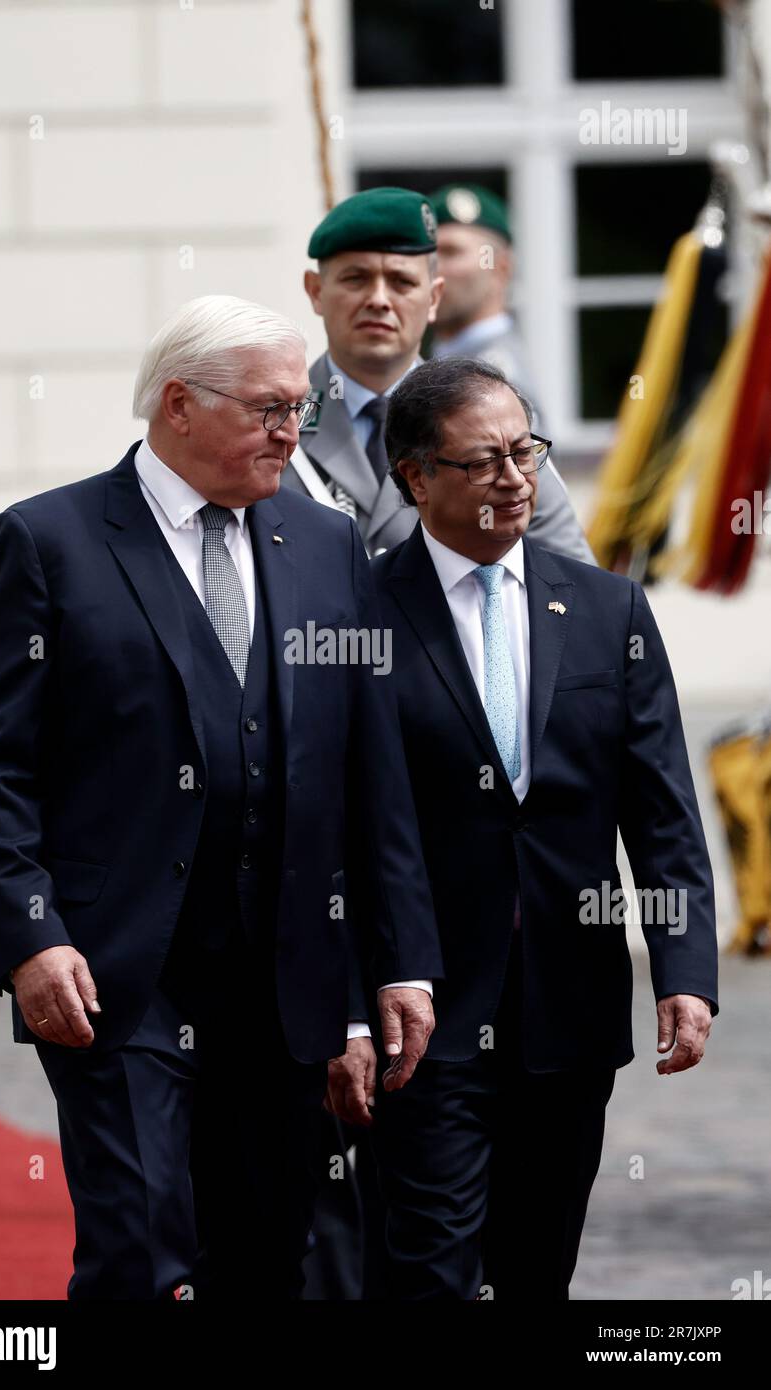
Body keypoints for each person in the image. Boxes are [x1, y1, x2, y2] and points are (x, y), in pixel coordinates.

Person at [0, 294, 442, 1301]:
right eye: (267, 410)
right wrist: (30, 936)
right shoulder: (50, 542)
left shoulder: (324, 542)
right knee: (139, 1251)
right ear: (178, 404)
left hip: (285, 974)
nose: (289, 435)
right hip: (116, 973)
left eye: (298, 412)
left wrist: (394, 967)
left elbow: (368, 775)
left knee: (263, 1251)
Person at [327, 355, 719, 1300]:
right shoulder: (355, 614)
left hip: (568, 1004)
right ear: (416, 478)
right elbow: (331, 831)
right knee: (427, 1264)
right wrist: (344, 999)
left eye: (526, 452)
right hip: (420, 1005)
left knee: (538, 1267)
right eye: (484, 461)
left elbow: (658, 806)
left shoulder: (607, 609)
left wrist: (684, 971)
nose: (515, 478)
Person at [281, 185, 592, 562]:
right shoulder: (276, 420)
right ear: (315, 291)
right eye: (355, 279)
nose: (379, 299)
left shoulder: (485, 415)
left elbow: (570, 577)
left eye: (402, 282)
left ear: (434, 298)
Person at [429, 182, 595, 564]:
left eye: (452, 252)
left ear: (500, 267)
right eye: (428, 254)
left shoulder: (495, 378)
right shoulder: (448, 364)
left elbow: (534, 517)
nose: (434, 269)